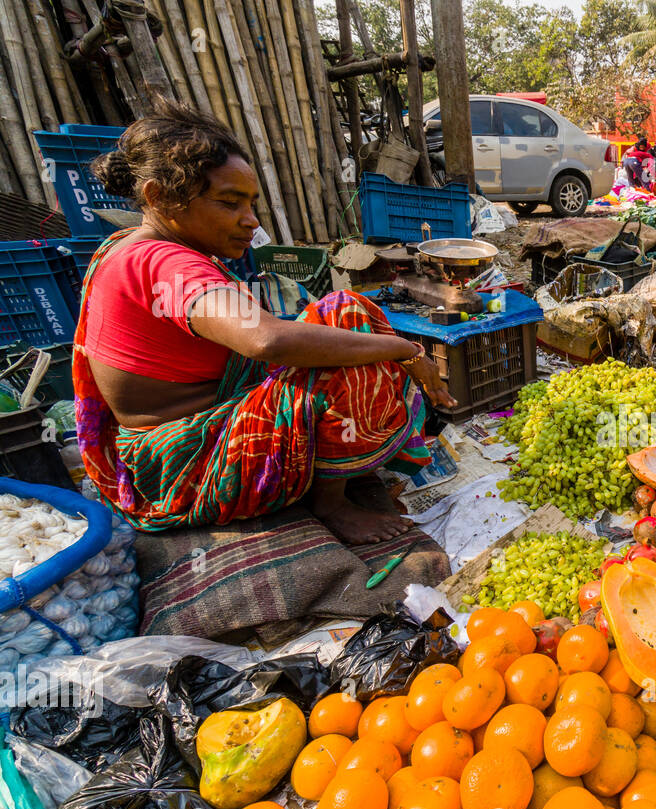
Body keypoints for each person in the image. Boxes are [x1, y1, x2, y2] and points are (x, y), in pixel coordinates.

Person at [75, 102, 454, 543]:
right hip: (182, 465)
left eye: (251, 203)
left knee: (344, 316)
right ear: (160, 197)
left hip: (178, 436)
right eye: (229, 203)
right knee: (353, 355)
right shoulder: (165, 263)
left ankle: (336, 469)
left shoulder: (132, 247)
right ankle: (331, 505)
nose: (251, 221)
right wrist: (407, 351)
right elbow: (265, 341)